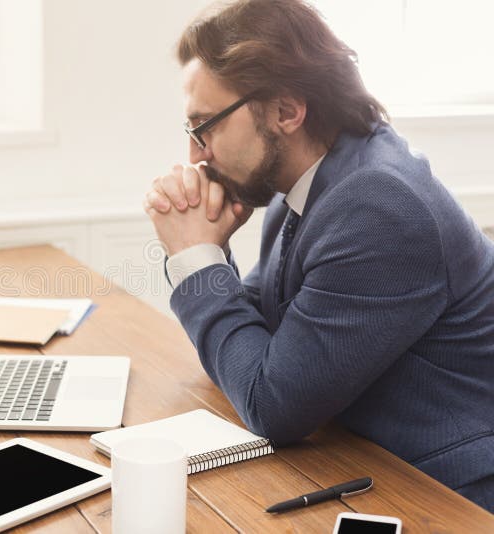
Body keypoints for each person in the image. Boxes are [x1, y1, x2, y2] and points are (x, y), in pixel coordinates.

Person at [144, 0, 494, 512]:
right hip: (358, 460)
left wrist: (195, 256)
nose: (197, 155)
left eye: (206, 126)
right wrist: (210, 247)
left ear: (287, 110)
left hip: (445, 494)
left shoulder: (378, 206)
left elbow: (271, 403)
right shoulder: (305, 184)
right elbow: (263, 347)